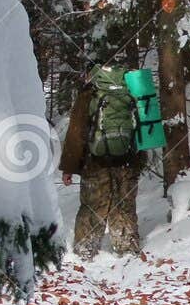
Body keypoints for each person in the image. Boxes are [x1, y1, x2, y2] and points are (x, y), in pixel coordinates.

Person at [60, 66, 143, 259]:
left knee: (92, 205)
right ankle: (127, 247)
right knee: (124, 204)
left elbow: (76, 132)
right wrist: (138, 160)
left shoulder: (89, 95)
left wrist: (68, 168)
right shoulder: (131, 91)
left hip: (95, 162)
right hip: (127, 160)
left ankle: (85, 250)